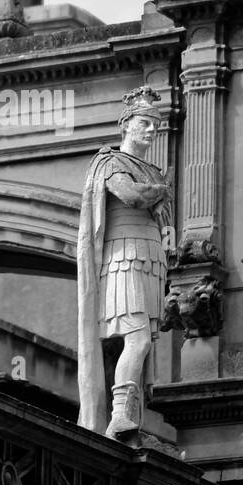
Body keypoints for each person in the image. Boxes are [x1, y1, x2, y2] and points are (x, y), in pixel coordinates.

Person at [76, 86, 173, 439]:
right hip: (124, 257)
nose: (150, 130)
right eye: (144, 122)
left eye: (155, 125)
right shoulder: (111, 162)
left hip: (150, 258)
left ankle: (128, 416)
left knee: (142, 341)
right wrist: (161, 190)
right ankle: (119, 417)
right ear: (126, 125)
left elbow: (164, 221)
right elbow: (130, 195)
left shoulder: (152, 169)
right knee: (138, 340)